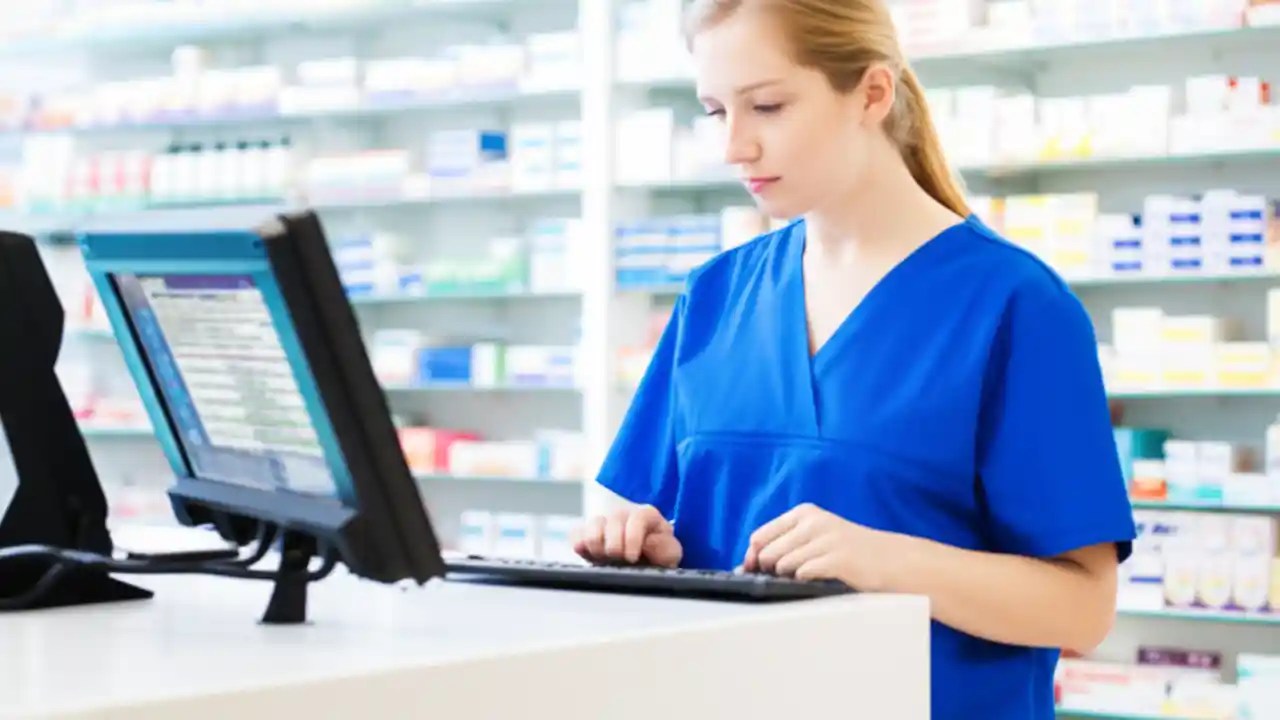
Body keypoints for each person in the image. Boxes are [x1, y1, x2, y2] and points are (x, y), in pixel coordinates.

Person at [571, 1, 1136, 719]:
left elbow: (1083, 607)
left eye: (768, 106)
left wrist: (888, 561)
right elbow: (671, 526)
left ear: (872, 92)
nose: (733, 147)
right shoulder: (714, 296)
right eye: (715, 111)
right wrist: (645, 550)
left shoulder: (1015, 305)